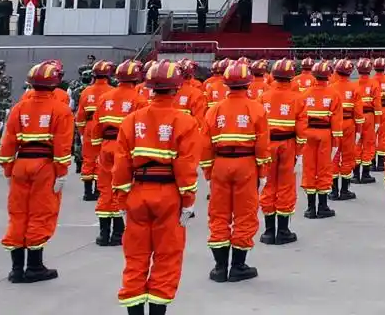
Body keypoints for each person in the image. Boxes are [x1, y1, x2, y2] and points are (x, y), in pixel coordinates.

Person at [113, 59, 201, 315]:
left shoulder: (131, 120)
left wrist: (121, 200)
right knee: (167, 257)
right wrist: (188, 202)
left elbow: (120, 165)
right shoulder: (185, 122)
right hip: (169, 194)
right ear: (177, 88)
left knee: (135, 258)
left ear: (149, 87)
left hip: (138, 192)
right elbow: (186, 168)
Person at [0, 61, 74, 283]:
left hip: (21, 163)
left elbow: (8, 141)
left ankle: (16, 268)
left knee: (18, 213)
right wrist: (61, 172)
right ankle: (34, 266)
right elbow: (62, 145)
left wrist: (8, 170)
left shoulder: (19, 108)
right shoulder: (60, 109)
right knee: (41, 213)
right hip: (45, 165)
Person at [202, 60, 270, 283]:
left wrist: (209, 171)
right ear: (248, 84)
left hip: (220, 164)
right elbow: (262, 145)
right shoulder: (256, 109)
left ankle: (219, 267)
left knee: (219, 214)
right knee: (245, 214)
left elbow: (205, 145)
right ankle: (238, 266)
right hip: (246, 164)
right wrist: (262, 171)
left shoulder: (215, 110)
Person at [91, 59, 144, 248]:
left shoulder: (105, 97)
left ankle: (103, 234)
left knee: (105, 188)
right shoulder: (139, 100)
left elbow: (96, 127)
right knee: (122, 187)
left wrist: (99, 148)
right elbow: (140, 129)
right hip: (125, 149)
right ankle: (119, 233)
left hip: (106, 145)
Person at [260, 58, 307, 246]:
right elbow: (302, 131)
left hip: (267, 145)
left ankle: (269, 231)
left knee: (268, 185)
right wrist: (300, 153)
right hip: (288, 145)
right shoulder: (297, 99)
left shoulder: (263, 97)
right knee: (286, 186)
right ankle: (283, 230)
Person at [300, 60, 343, 219]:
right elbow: (336, 122)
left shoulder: (304, 94)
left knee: (309, 168)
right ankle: (323, 206)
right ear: (329, 76)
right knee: (324, 169)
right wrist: (336, 143)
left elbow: (300, 118)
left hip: (307, 133)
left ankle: (311, 208)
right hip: (325, 134)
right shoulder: (334, 95)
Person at [76, 60, 115, 203]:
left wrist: (82, 132)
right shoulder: (112, 91)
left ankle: (87, 192)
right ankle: (99, 190)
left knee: (88, 159)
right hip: (105, 127)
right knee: (102, 159)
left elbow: (80, 117)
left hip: (89, 127)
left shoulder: (86, 91)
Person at [329, 58, 360, 202]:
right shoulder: (354, 88)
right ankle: (345, 190)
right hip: (348, 124)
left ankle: (334, 191)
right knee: (347, 155)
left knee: (334, 155)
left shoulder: (330, 87)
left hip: (334, 124)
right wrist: (359, 130)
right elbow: (358, 113)